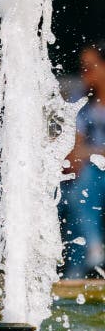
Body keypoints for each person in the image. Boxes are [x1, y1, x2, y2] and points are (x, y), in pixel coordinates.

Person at [62, 41, 105, 277]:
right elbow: (72, 148)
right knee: (77, 192)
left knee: (83, 187)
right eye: (82, 67)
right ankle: (86, 261)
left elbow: (84, 151)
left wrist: (89, 153)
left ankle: (87, 261)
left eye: (90, 67)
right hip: (89, 175)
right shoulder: (81, 101)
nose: (84, 73)